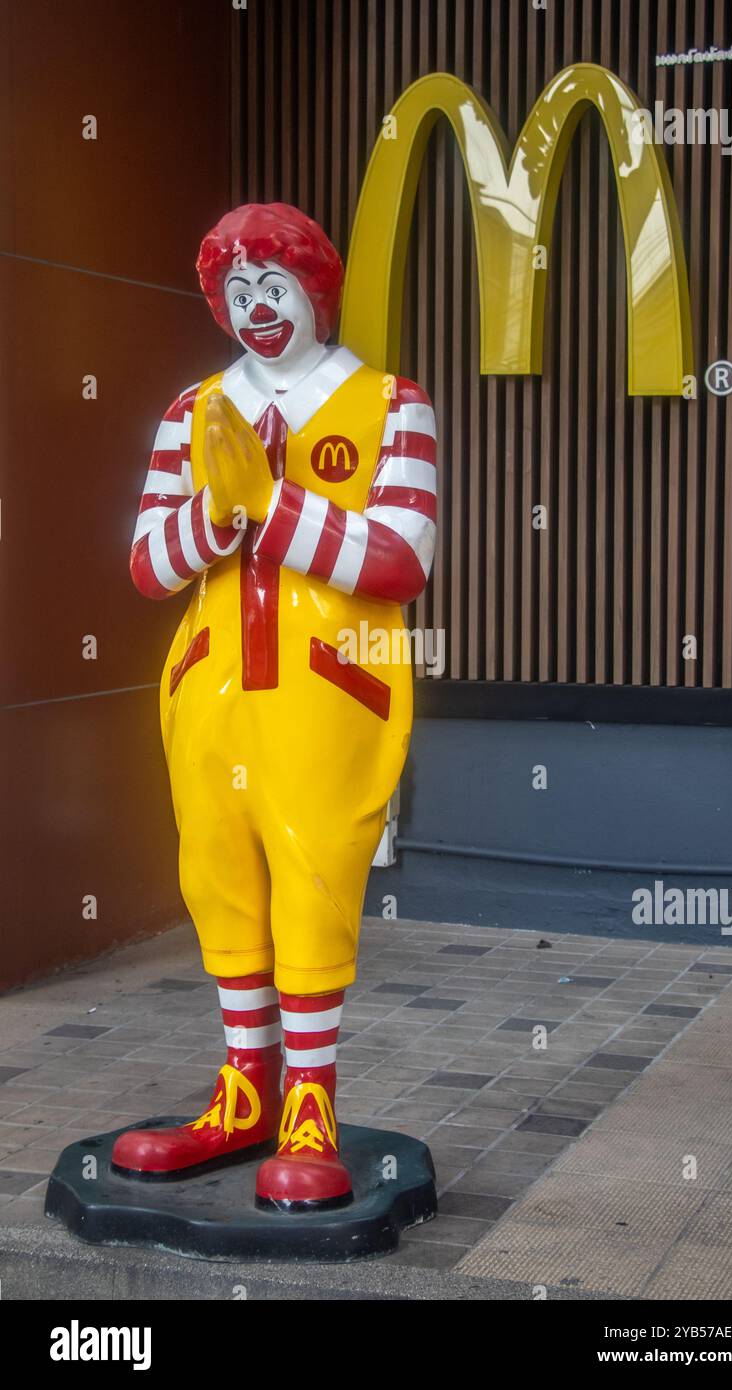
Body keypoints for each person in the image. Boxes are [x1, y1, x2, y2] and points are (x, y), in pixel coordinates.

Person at [111, 203, 437, 1209]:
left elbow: (398, 561)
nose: (256, 308)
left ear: (317, 290)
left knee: (311, 880)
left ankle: (309, 1107)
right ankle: (242, 1090)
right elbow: (146, 565)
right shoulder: (188, 412)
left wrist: (274, 501)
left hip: (326, 690)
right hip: (210, 691)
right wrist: (215, 510)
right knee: (220, 881)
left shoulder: (391, 403)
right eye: (236, 292)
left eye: (275, 286)